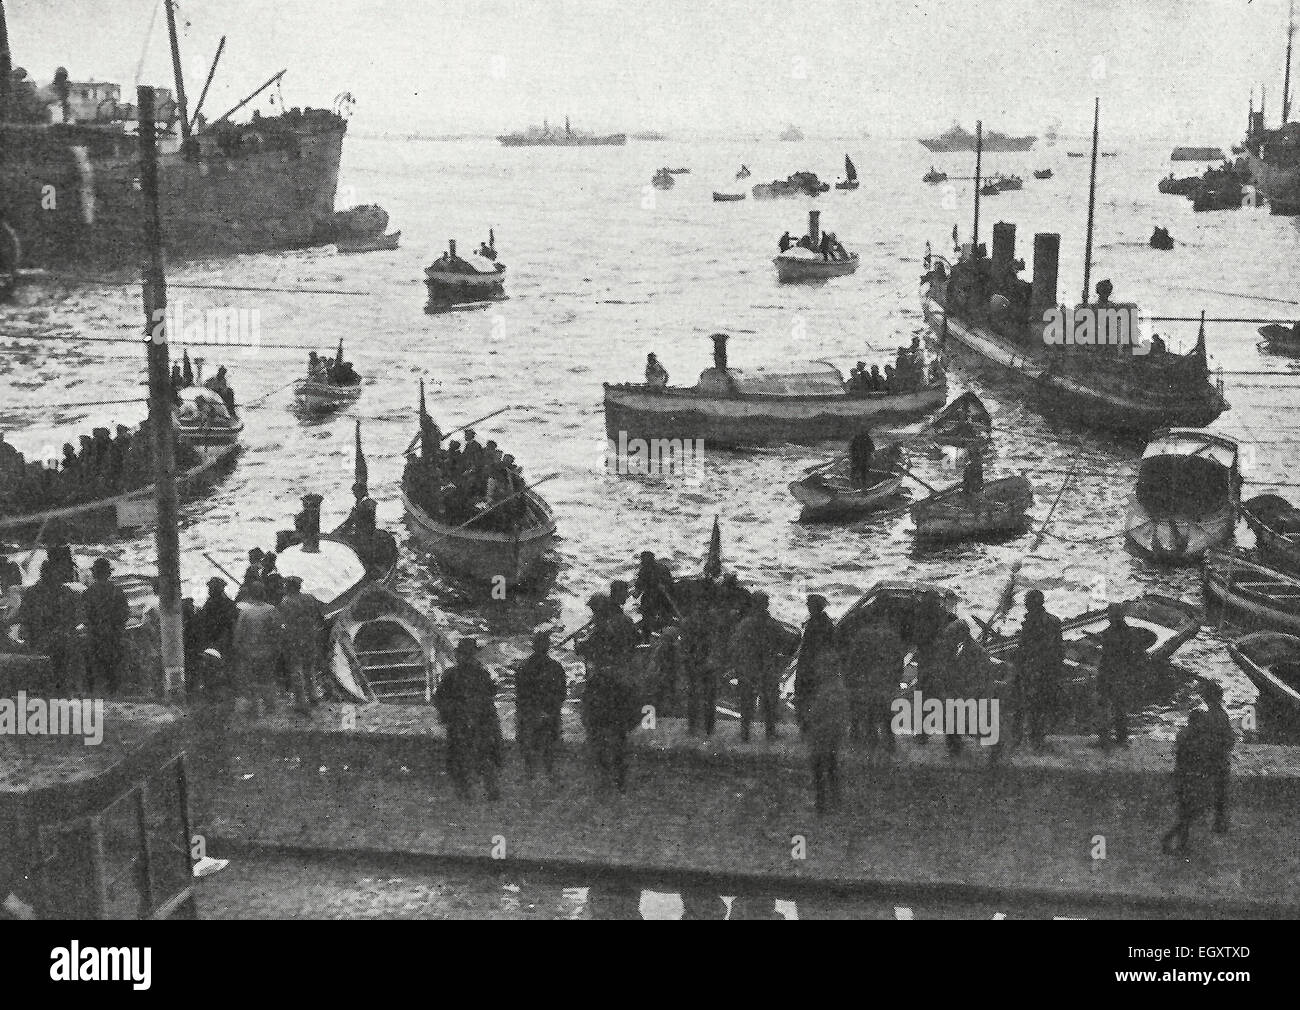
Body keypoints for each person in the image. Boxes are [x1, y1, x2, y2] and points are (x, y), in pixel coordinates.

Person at [576, 594, 640, 794]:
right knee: (618, 735)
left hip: (601, 683)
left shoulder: (600, 631)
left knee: (597, 734)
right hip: (621, 680)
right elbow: (636, 639)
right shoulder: (623, 622)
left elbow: (582, 649)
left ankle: (604, 777)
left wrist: (579, 640)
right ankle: (620, 778)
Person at [434, 638, 503, 801]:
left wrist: (447, 715)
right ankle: (491, 790)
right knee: (485, 757)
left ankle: (466, 793)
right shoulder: (482, 673)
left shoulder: (452, 674)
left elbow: (439, 698)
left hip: (461, 723)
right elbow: (491, 692)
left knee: (460, 759)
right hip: (481, 723)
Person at [728, 592, 790, 743]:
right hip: (767, 668)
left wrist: (738, 664)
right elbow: (785, 642)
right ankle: (770, 734)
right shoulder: (772, 624)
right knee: (769, 703)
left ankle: (745, 734)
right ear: (766, 605)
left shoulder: (745, 625)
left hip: (748, 668)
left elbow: (734, 645)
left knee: (746, 702)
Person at [13, 559, 80, 694]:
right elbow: (76, 617)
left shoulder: (31, 593)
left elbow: (23, 617)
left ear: (42, 573)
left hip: (38, 642)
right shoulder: (67, 592)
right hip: (60, 642)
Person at [1014, 590, 1063, 750]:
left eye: (1027, 602)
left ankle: (1034, 737)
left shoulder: (1032, 623)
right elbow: (1059, 650)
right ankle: (1037, 737)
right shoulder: (1053, 621)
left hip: (1034, 670)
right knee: (1040, 704)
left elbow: (1025, 648)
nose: (1025, 605)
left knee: (1033, 704)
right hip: (1046, 670)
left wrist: (1020, 667)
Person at [514, 631, 567, 780]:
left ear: (533, 646)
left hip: (529, 712)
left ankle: (530, 772)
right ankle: (550, 772)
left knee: (529, 744)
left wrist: (531, 710)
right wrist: (550, 709)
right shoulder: (556, 667)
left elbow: (521, 694)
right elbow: (561, 693)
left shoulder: (523, 667)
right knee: (549, 744)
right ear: (548, 646)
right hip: (550, 711)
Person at [846, 618, 903, 752]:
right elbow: (898, 659)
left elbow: (854, 660)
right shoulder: (891, 636)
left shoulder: (862, 636)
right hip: (885, 680)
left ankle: (872, 742)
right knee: (886, 712)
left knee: (869, 712)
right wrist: (896, 678)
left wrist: (853, 678)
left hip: (868, 680)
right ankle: (889, 742)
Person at [231, 582, 286, 717]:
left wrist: (239, 649)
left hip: (250, 653)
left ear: (251, 595)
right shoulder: (271, 610)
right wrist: (277, 649)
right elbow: (278, 632)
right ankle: (270, 706)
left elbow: (238, 635)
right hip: (268, 652)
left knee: (252, 681)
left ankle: (255, 708)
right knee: (268, 679)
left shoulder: (245, 613)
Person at [278, 575, 325, 715]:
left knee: (296, 670)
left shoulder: (285, 602)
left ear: (289, 587)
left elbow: (282, 623)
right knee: (309, 668)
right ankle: (313, 696)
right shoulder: (310, 598)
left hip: (294, 640)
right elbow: (320, 617)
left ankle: (300, 702)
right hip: (310, 638)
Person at [1096, 603, 1142, 749]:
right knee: (1116, 707)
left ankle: (1109, 738)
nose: (1109, 617)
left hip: (1112, 674)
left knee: (1110, 707)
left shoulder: (1112, 633)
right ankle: (1118, 737)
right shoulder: (1126, 633)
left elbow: (1110, 655)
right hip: (1117, 674)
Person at [82, 557, 129, 696]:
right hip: (114, 637)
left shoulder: (88, 593)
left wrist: (96, 626)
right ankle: (113, 694)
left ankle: (95, 695)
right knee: (113, 671)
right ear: (109, 573)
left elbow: (84, 617)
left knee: (95, 669)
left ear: (94, 573)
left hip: (95, 638)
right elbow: (124, 615)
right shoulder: (117, 591)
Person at [807, 668, 849, 816]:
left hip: (823, 735)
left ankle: (822, 802)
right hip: (830, 735)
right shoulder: (837, 689)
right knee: (831, 767)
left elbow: (817, 712)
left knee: (821, 768)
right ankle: (833, 800)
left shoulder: (827, 691)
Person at [794, 594, 836, 728]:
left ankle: (807, 724)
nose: (808, 607)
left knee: (806, 695)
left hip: (812, 665)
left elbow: (812, 647)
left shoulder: (817, 623)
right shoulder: (822, 622)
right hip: (816, 665)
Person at [682, 603, 720, 736]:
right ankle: (708, 728)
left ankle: (693, 727)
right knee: (708, 698)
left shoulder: (688, 622)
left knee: (695, 697)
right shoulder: (710, 622)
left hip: (696, 664)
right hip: (705, 664)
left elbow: (685, 646)